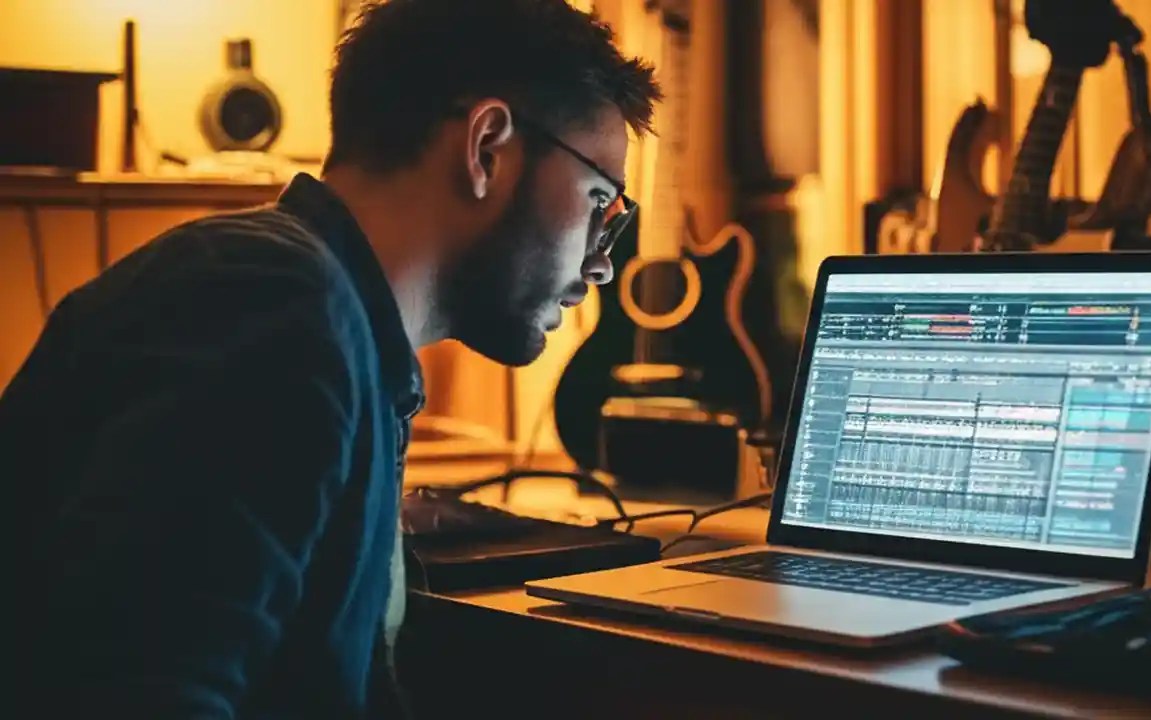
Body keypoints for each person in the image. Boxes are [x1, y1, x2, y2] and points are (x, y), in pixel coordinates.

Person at [4, 0, 660, 717]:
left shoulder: (325, 323)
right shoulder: (269, 309)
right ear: (487, 149)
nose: (602, 263)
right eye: (600, 200)